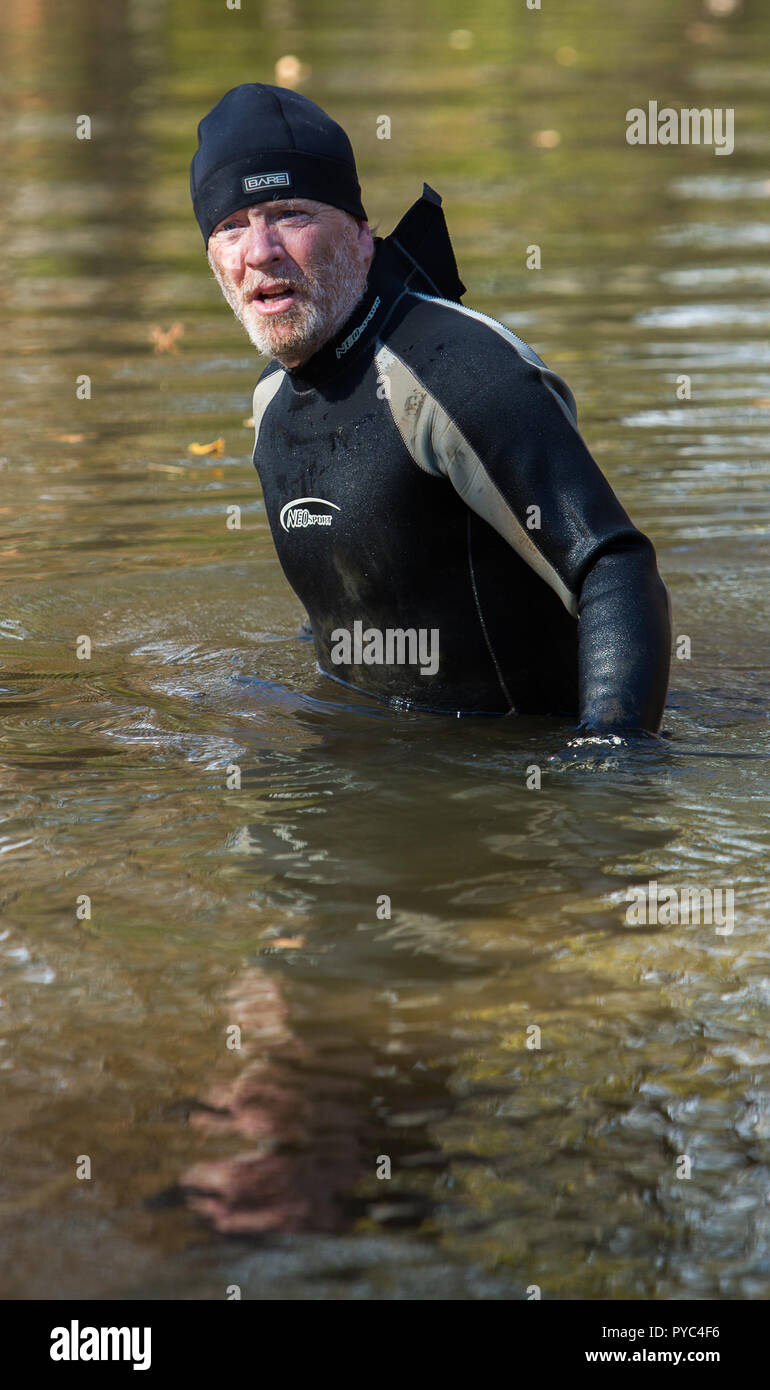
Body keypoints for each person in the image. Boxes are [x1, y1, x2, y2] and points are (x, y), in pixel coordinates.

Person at [191, 83, 671, 731]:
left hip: (518, 777)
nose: (260, 250)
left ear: (361, 235)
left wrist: (611, 769)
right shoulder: (270, 402)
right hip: (375, 769)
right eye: (230, 227)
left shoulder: (458, 370)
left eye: (291, 214)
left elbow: (614, 568)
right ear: (214, 262)